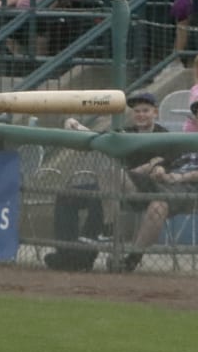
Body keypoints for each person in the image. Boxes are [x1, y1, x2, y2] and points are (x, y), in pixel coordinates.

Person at [48, 90, 172, 271]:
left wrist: (142, 169)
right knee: (67, 196)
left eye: (145, 110)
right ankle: (66, 253)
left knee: (104, 191)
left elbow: (160, 167)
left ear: (155, 112)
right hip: (114, 185)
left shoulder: (164, 136)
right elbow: (99, 137)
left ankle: (84, 258)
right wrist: (76, 125)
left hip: (143, 191)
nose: (141, 115)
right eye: (137, 111)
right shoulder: (126, 132)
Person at [114, 96, 198, 272]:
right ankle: (114, 223)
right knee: (116, 173)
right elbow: (167, 160)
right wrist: (160, 168)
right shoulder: (186, 142)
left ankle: (132, 258)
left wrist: (181, 178)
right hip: (163, 183)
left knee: (158, 205)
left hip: (194, 190)